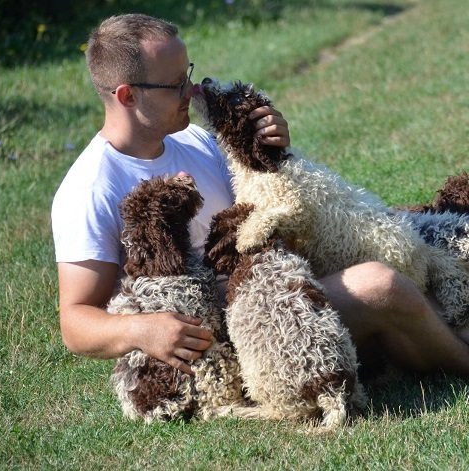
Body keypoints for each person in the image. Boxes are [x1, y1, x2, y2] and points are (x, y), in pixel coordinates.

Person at [52, 13, 469, 379]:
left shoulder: (196, 141)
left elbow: (266, 202)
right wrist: (140, 329)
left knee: (412, 250)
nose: (192, 91)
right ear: (127, 96)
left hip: (273, 284)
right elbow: (75, 322)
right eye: (176, 84)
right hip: (227, 331)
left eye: (189, 74)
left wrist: (271, 150)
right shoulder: (90, 188)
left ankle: (421, 344)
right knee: (380, 285)